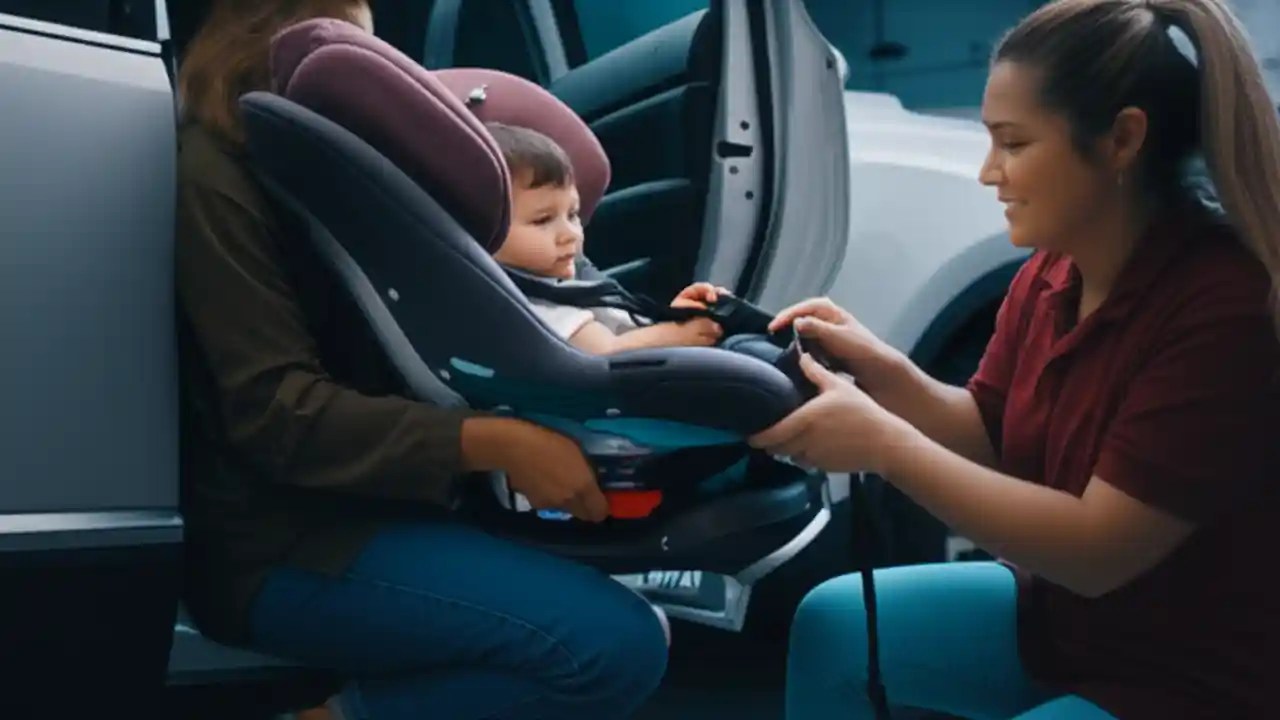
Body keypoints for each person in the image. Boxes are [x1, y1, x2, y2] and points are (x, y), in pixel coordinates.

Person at [751, 1, 1280, 718]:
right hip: (1065, 629)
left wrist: (884, 447)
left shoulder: (1223, 305)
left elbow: (1097, 553)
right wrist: (881, 371)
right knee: (835, 627)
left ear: (1122, 139)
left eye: (1014, 143)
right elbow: (994, 431)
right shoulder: (1052, 271)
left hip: (1190, 682)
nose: (988, 172)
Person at [174, 2, 668, 719]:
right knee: (610, 647)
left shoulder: (326, 162)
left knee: (634, 614)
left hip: (389, 504)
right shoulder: (216, 177)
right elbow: (276, 412)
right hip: (284, 540)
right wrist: (496, 443)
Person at [485, 122, 727, 354]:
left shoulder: (558, 284)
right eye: (542, 220)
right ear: (483, 233)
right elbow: (605, 355)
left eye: (572, 214)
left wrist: (672, 319)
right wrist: (675, 335)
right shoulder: (534, 308)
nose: (571, 234)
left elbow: (623, 333)